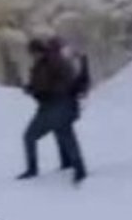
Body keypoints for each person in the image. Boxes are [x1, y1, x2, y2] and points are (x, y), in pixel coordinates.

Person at [18, 37, 87, 185]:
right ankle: (72, 166)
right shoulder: (42, 65)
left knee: (56, 135)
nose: (33, 56)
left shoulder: (54, 62)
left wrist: (44, 91)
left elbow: (65, 82)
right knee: (62, 135)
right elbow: (41, 84)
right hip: (52, 106)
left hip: (60, 104)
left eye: (34, 52)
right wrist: (32, 89)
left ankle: (76, 169)